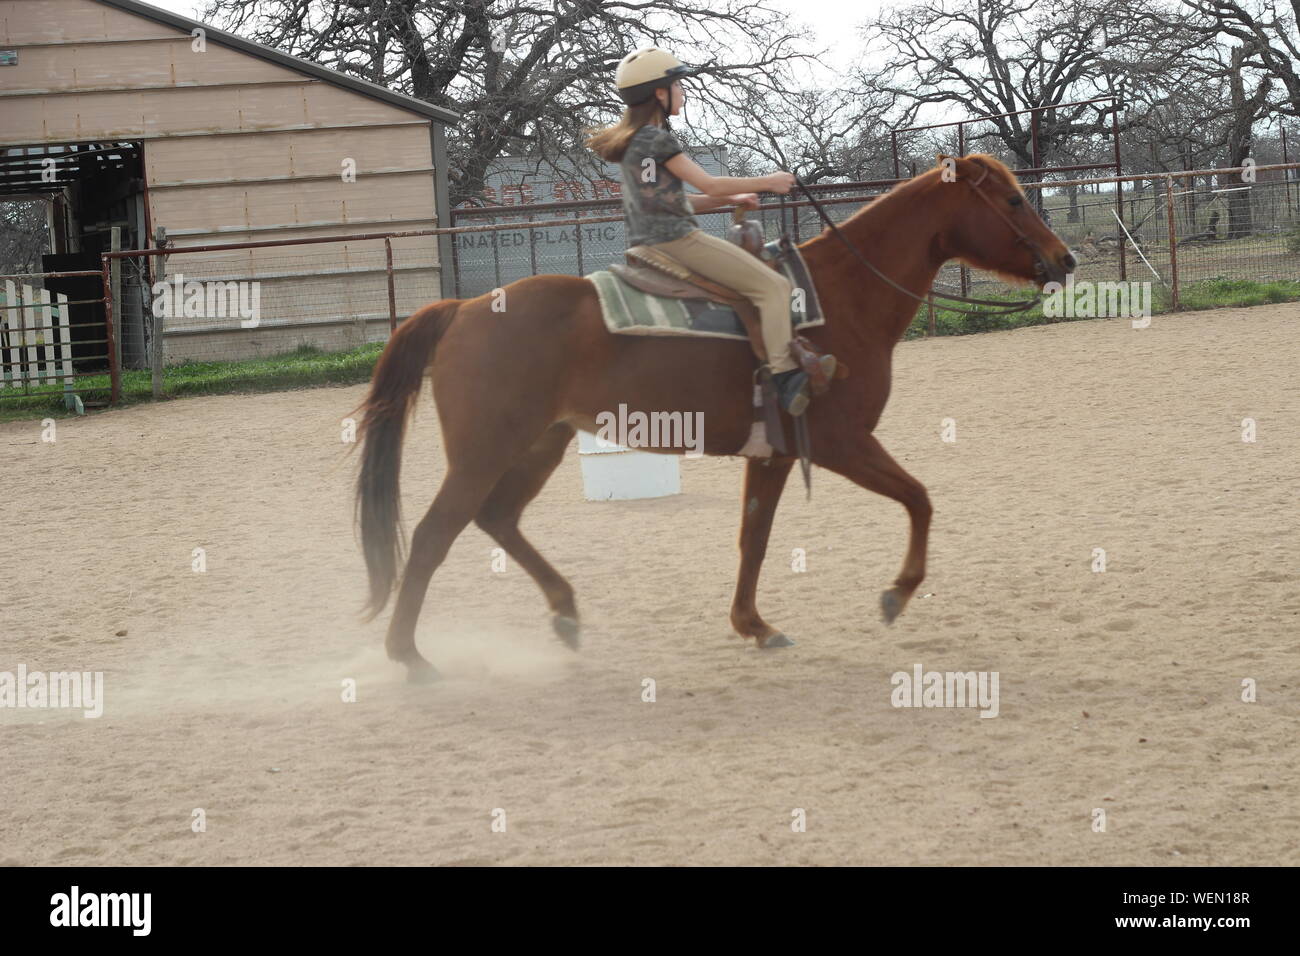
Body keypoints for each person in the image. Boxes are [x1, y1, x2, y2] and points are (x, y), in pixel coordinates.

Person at [584, 46, 834, 415]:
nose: (682, 93)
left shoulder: (636, 142)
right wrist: (769, 181)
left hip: (651, 242)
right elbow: (711, 184)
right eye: (678, 86)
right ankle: (784, 376)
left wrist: (735, 198)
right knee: (774, 286)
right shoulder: (657, 140)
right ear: (659, 92)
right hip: (678, 242)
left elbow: (678, 201)